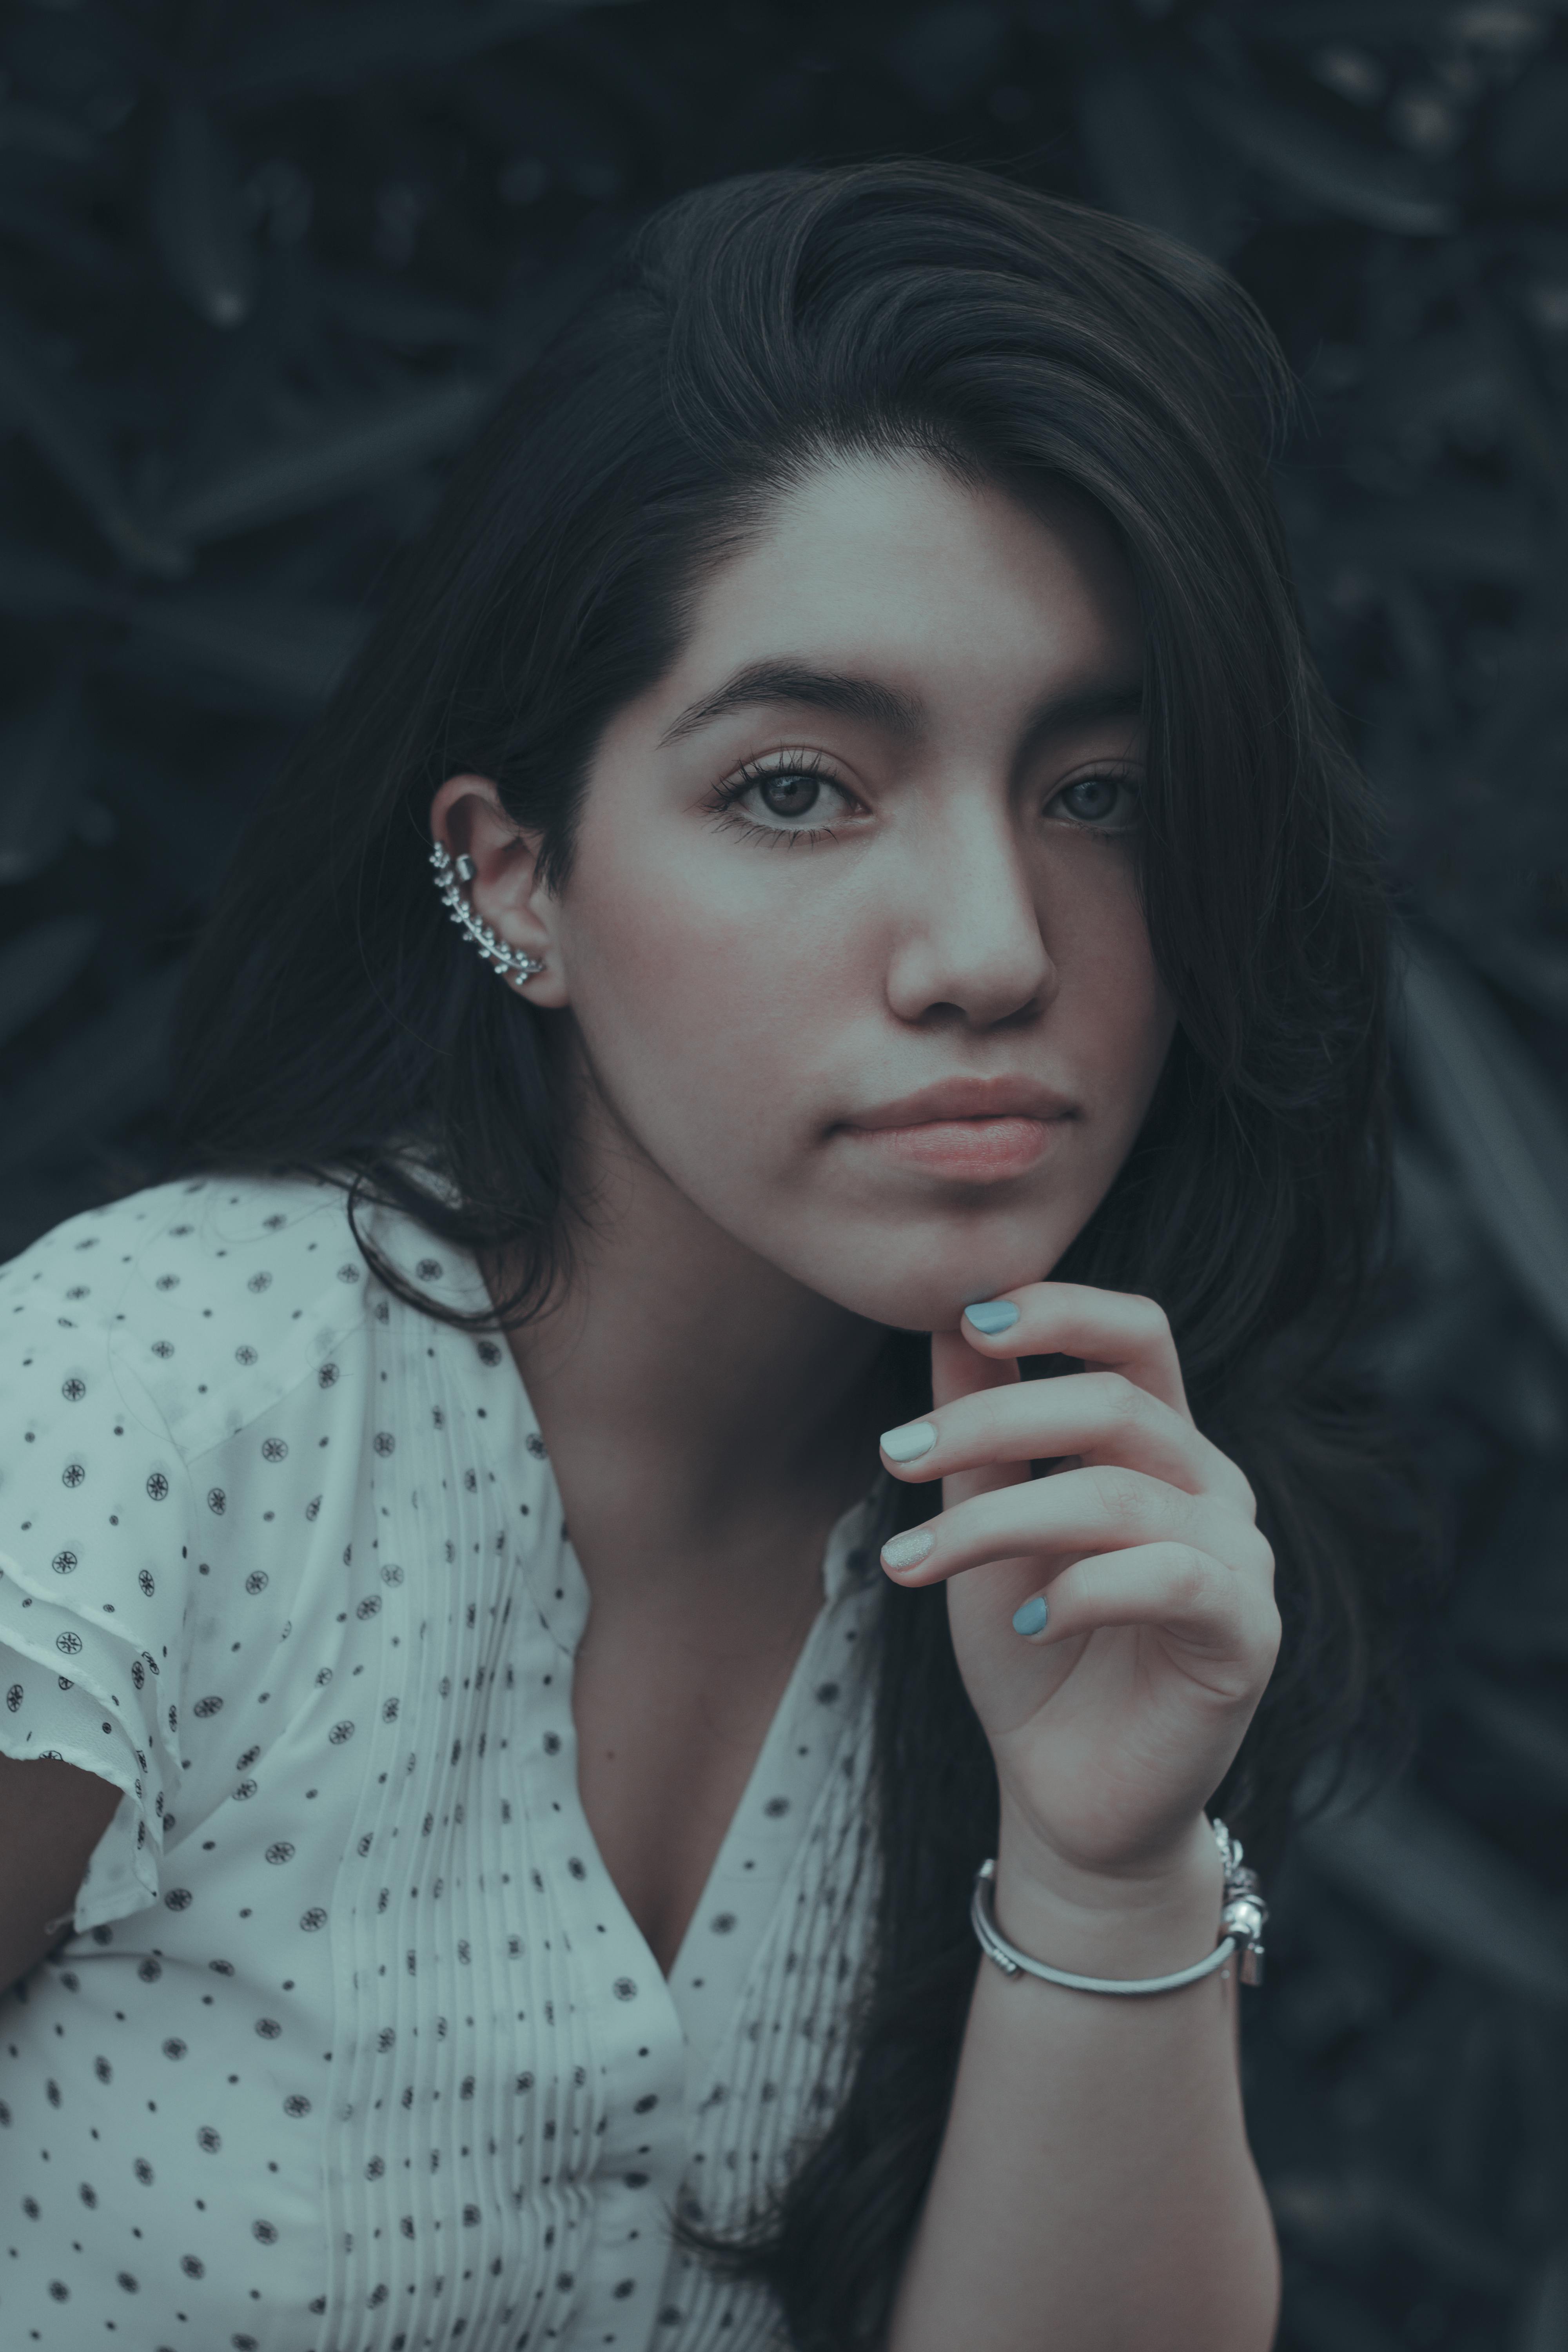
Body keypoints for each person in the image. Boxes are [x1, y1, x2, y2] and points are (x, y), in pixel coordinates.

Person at [0, 160, 1413, 2351]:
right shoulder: (163, 1412)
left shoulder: (1071, 1536)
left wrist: (1110, 1858)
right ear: (520, 878)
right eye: (797, 789)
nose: (987, 949)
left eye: (1102, 792)